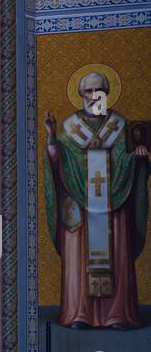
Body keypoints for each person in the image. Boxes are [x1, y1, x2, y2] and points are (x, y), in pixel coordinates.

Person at [44, 69, 148, 329]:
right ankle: (79, 313)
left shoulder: (121, 125)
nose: (93, 95)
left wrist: (138, 156)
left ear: (107, 93)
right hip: (80, 204)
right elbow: (59, 163)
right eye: (88, 91)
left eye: (98, 90)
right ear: (80, 94)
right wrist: (52, 140)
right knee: (78, 254)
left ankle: (117, 315)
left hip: (114, 203)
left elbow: (129, 158)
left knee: (116, 253)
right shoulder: (70, 128)